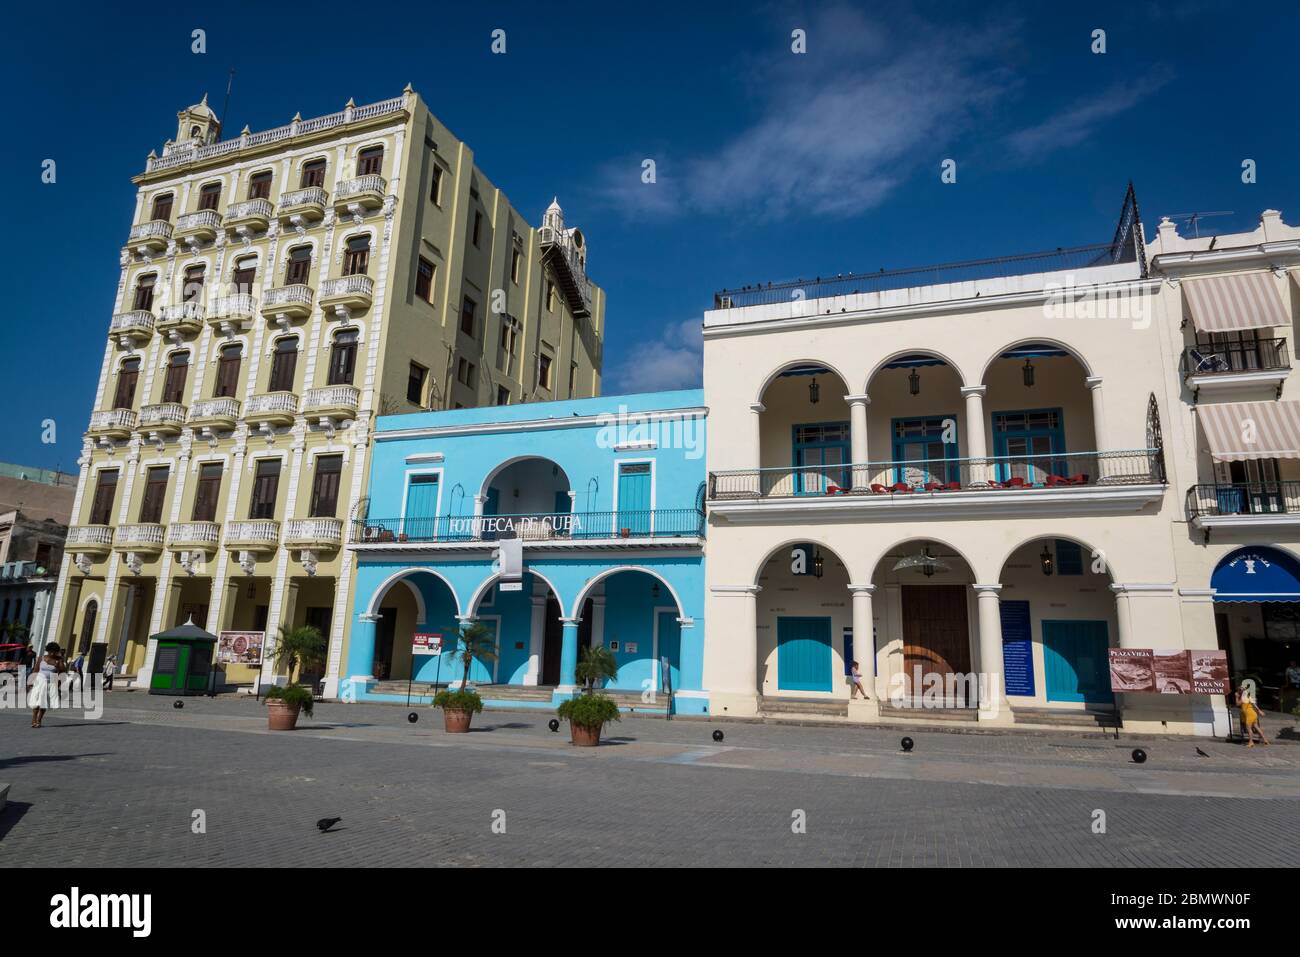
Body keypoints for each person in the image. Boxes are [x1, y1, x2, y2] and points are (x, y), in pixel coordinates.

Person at [29, 642, 65, 728]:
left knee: (44, 703)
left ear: (56, 652)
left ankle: (39, 720)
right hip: (39, 682)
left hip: (51, 683)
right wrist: (31, 680)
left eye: (54, 651)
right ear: (48, 651)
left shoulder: (58, 659)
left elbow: (63, 671)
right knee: (36, 702)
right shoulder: (41, 658)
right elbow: (36, 670)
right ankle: (34, 719)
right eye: (50, 651)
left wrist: (58, 665)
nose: (52, 653)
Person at [1236, 681, 1269, 748]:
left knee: (1249, 728)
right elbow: (1254, 704)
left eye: (1239, 690)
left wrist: (1236, 697)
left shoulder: (1243, 697)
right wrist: (1259, 711)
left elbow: (1237, 704)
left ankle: (1251, 742)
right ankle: (1265, 740)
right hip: (1253, 714)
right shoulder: (1248, 696)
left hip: (1249, 714)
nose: (1239, 692)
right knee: (1256, 727)